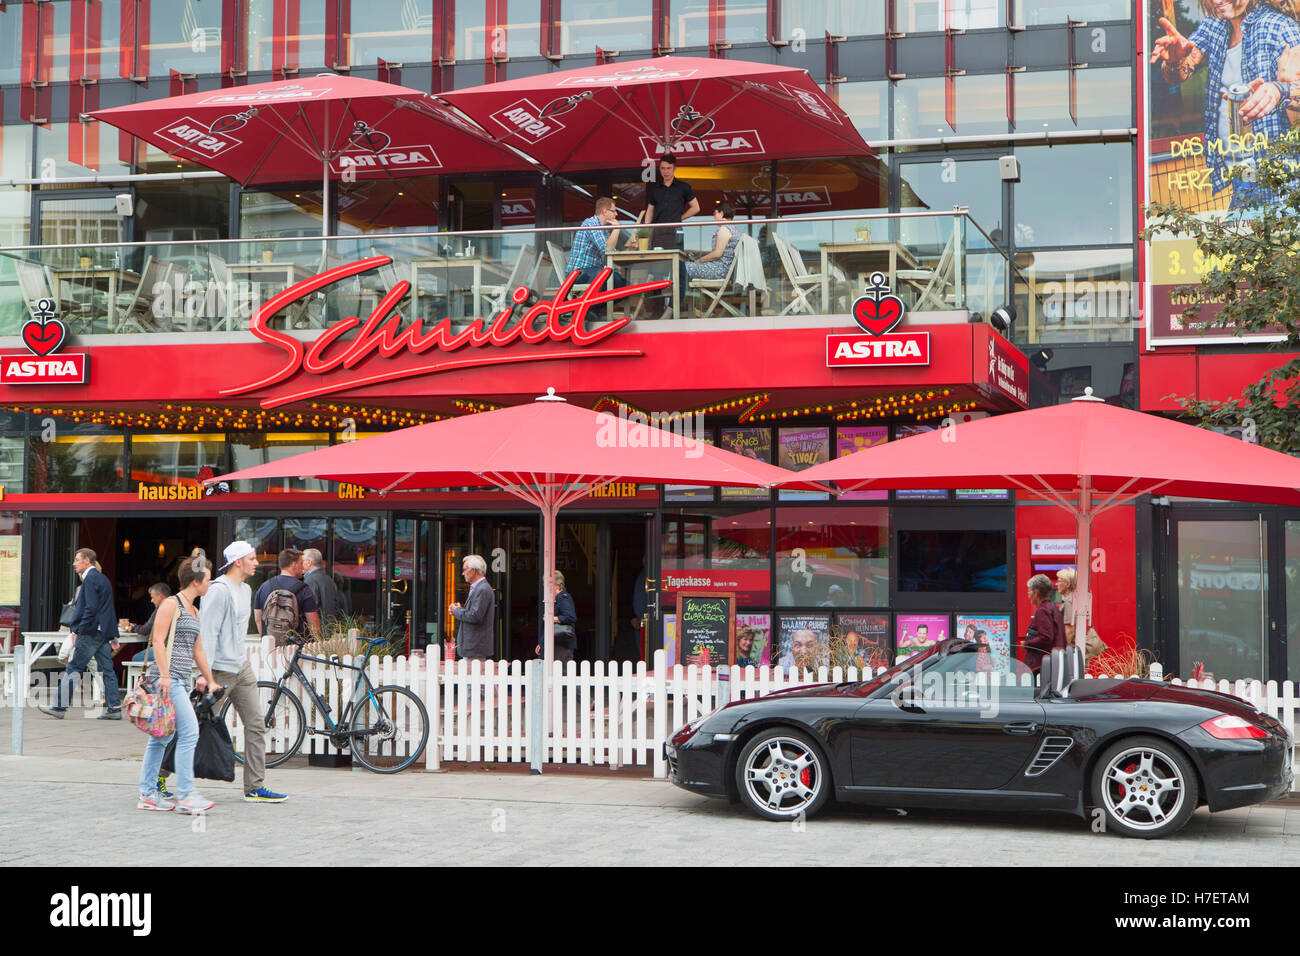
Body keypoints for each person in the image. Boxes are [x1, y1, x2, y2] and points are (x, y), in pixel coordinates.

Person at [1149, 1, 1300, 206]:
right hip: (1236, 175)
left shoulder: (1280, 27)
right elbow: (1181, 72)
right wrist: (1175, 61)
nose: (1217, 1)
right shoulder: (1214, 25)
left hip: (1277, 177)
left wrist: (1278, 91)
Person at [201, 540, 288, 804]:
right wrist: (205, 675)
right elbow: (207, 632)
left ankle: (254, 787)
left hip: (242, 666)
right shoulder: (219, 590)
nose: (257, 562)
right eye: (252, 558)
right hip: (220, 671)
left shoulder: (246, 590)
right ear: (238, 561)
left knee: (256, 724)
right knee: (197, 726)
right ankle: (159, 776)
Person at [136, 552, 222, 813]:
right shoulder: (171, 605)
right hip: (168, 680)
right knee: (189, 733)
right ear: (195, 580)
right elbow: (159, 641)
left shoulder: (194, 610)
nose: (210, 583)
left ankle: (148, 794)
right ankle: (186, 795)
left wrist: (209, 680)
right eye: (208, 578)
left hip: (181, 681)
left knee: (162, 738)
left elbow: (198, 651)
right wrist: (164, 675)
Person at [41, 548, 122, 720]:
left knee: (74, 667)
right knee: (107, 669)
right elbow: (106, 609)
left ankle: (59, 707)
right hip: (102, 633)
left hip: (90, 632)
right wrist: (112, 634)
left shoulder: (90, 579)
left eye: (77, 559)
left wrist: (79, 630)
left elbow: (90, 608)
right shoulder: (103, 579)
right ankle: (114, 708)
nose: (74, 563)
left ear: (87, 561)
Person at [631, 153, 699, 319]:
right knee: (656, 272)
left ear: (674, 169)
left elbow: (696, 208)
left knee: (679, 272)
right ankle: (655, 311)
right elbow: (650, 212)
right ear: (659, 169)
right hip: (658, 233)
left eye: (669, 168)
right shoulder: (655, 190)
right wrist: (644, 233)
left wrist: (679, 219)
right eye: (663, 168)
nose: (666, 171)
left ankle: (671, 311)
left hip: (676, 233)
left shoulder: (683, 187)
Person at [253, 548, 321, 647]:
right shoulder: (304, 589)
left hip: (271, 650)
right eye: (301, 563)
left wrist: (267, 639)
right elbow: (313, 624)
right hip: (297, 649)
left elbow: (258, 619)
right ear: (294, 565)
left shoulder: (264, 587)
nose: (302, 567)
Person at [568, 197, 629, 289]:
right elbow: (606, 249)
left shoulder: (603, 230)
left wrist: (630, 249)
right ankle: (591, 303)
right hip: (579, 274)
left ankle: (594, 303)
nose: (616, 214)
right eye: (614, 211)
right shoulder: (591, 224)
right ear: (605, 211)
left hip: (590, 271)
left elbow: (611, 252)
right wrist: (617, 228)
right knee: (617, 282)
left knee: (621, 283)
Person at [679, 201, 740, 289]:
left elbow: (717, 254)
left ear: (721, 213)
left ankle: (679, 297)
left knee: (682, 266)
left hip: (719, 271)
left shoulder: (724, 229)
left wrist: (699, 260)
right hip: (724, 270)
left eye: (715, 214)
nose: (714, 217)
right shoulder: (734, 229)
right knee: (685, 268)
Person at [449, 554, 495, 661]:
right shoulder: (480, 588)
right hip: (473, 647)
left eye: (465, 569)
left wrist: (457, 610)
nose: (463, 573)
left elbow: (475, 616)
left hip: (475, 648)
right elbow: (473, 613)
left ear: (473, 570)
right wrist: (460, 610)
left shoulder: (482, 589)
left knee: (472, 676)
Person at [1023, 573, 1066, 673]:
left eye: (1029, 591)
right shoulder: (1053, 608)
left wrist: (1027, 643)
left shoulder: (1042, 610)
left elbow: (1046, 636)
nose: (1028, 595)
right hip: (1054, 661)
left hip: (1042, 665)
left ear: (1036, 593)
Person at [535, 569, 577, 661]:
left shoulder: (563, 597)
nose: (545, 587)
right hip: (556, 645)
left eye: (547, 584)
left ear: (557, 585)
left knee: (560, 673)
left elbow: (570, 617)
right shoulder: (555, 599)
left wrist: (553, 618)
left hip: (561, 646)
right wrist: (542, 643)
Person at [126, 583, 171, 665]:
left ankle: (150, 676)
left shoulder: (161, 608)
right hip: (179, 649)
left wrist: (132, 628)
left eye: (153, 597)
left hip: (165, 649)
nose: (151, 601)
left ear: (160, 596)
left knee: (136, 658)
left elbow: (145, 630)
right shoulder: (177, 606)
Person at [302, 547, 346, 628]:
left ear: (308, 562)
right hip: (330, 628)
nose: (300, 565)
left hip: (317, 630)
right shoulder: (329, 579)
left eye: (301, 561)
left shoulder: (310, 580)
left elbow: (311, 609)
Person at [1055, 567, 1078, 647]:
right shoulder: (1073, 598)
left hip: (1075, 648)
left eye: (1059, 581)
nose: (1056, 584)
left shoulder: (1069, 602)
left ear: (1068, 584)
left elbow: (1069, 630)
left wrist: (1062, 650)